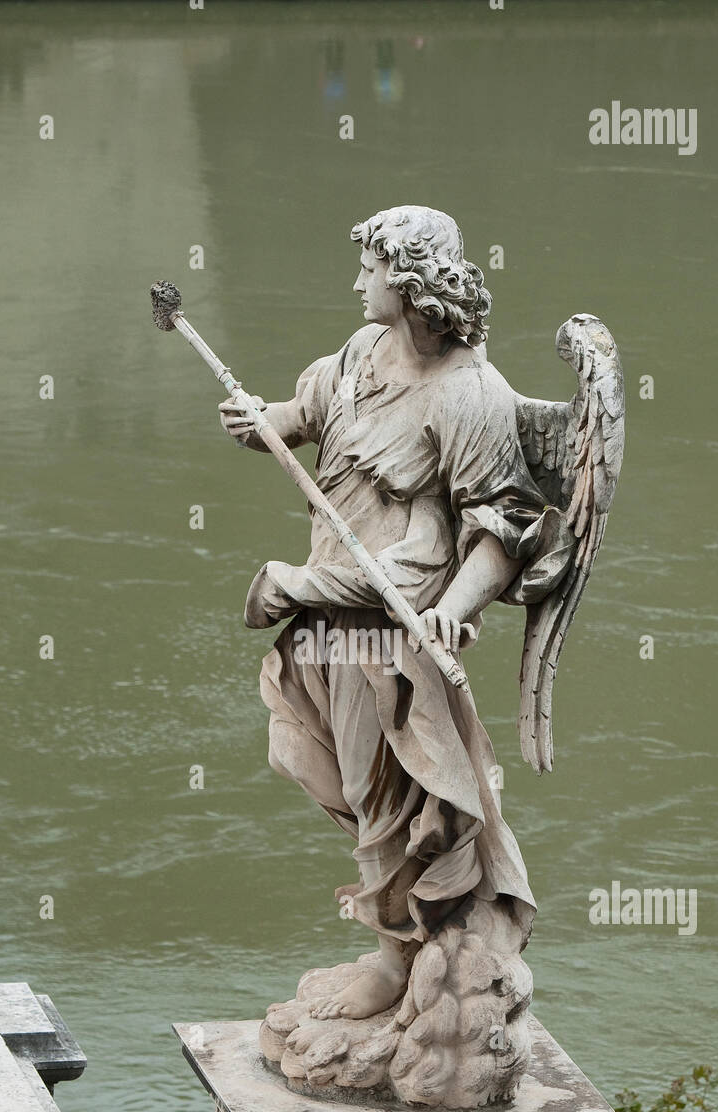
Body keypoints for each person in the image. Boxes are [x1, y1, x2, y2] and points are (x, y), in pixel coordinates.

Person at [219, 206, 573, 1023]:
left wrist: (452, 610)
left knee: (390, 799)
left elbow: (501, 528)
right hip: (325, 607)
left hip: (392, 625)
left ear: (409, 281)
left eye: (369, 268)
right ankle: (414, 934)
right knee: (308, 761)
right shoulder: (358, 354)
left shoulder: (471, 396)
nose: (355, 283)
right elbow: (298, 422)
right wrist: (258, 422)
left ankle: (396, 957)